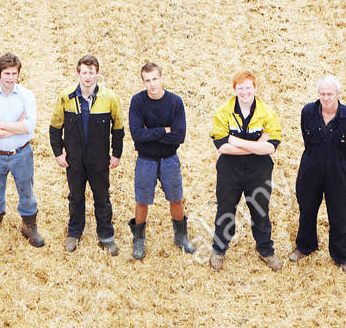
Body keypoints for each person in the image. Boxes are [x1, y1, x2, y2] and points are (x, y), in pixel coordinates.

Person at [208, 71, 284, 272]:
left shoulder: (267, 113)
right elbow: (222, 147)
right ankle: (219, 249)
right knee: (225, 209)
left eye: (248, 87)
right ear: (234, 90)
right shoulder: (223, 112)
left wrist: (234, 140)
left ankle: (265, 250)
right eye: (240, 88)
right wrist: (256, 145)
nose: (244, 92)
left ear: (255, 88)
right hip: (229, 170)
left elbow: (271, 148)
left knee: (260, 210)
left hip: (258, 171)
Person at [50, 54, 124, 255]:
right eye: (84, 72)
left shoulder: (109, 98)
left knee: (102, 197)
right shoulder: (66, 97)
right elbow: (55, 126)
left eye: (92, 72)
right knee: (75, 197)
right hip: (74, 159)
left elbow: (118, 128)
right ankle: (74, 233)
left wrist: (116, 154)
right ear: (78, 73)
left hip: (99, 159)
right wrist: (58, 153)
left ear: (97, 73)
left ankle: (106, 236)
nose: (88, 77)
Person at [292, 75, 346, 272]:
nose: (326, 98)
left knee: (340, 214)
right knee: (307, 208)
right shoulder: (308, 112)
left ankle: (342, 256)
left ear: (338, 95)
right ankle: (305, 246)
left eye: (330, 94)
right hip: (310, 169)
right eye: (322, 94)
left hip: (339, 172)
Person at [126, 61, 194, 259]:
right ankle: (138, 239)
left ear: (161, 78)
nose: (152, 84)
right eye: (147, 80)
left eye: (155, 79)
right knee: (142, 201)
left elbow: (179, 136)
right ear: (143, 81)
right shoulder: (137, 102)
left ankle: (181, 236)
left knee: (176, 198)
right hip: (145, 159)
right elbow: (137, 135)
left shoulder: (175, 102)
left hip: (169, 159)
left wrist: (152, 133)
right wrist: (165, 130)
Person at [0, 52, 43, 246]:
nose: (10, 78)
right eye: (7, 73)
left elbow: (28, 128)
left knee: (26, 190)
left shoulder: (26, 96)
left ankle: (29, 225)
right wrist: (14, 127)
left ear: (18, 74)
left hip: (21, 153)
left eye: (14, 73)